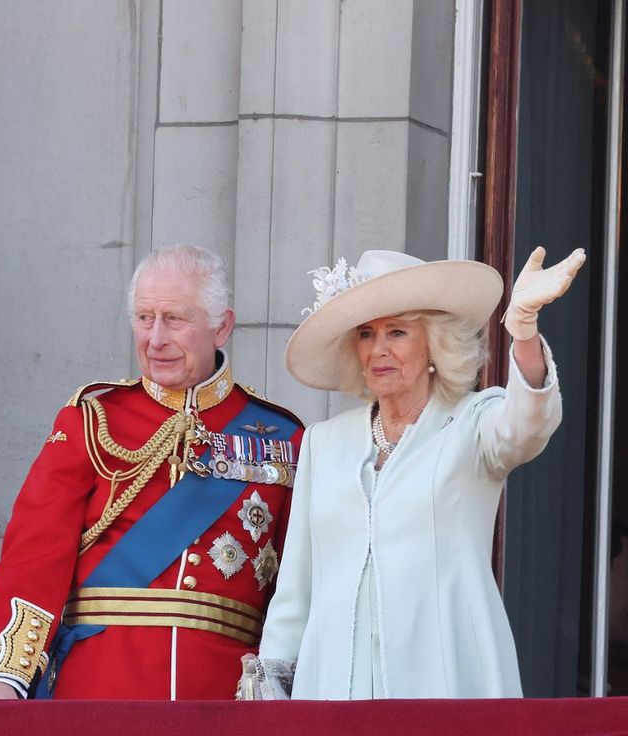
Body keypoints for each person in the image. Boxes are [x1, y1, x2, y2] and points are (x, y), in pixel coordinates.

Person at [250, 246, 586, 700]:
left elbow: (526, 426)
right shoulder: (323, 443)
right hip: (330, 690)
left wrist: (523, 331)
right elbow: (296, 588)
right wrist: (272, 690)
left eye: (398, 332)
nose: (379, 350)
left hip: (445, 685)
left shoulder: (472, 422)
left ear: (434, 343)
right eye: (367, 334)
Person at [0, 245, 304, 700]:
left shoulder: (284, 437)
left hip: (225, 699)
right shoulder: (92, 421)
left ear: (222, 326)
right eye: (144, 318)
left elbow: (298, 586)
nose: (155, 339)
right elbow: (34, 558)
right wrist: (5, 680)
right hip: (97, 689)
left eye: (174, 319)